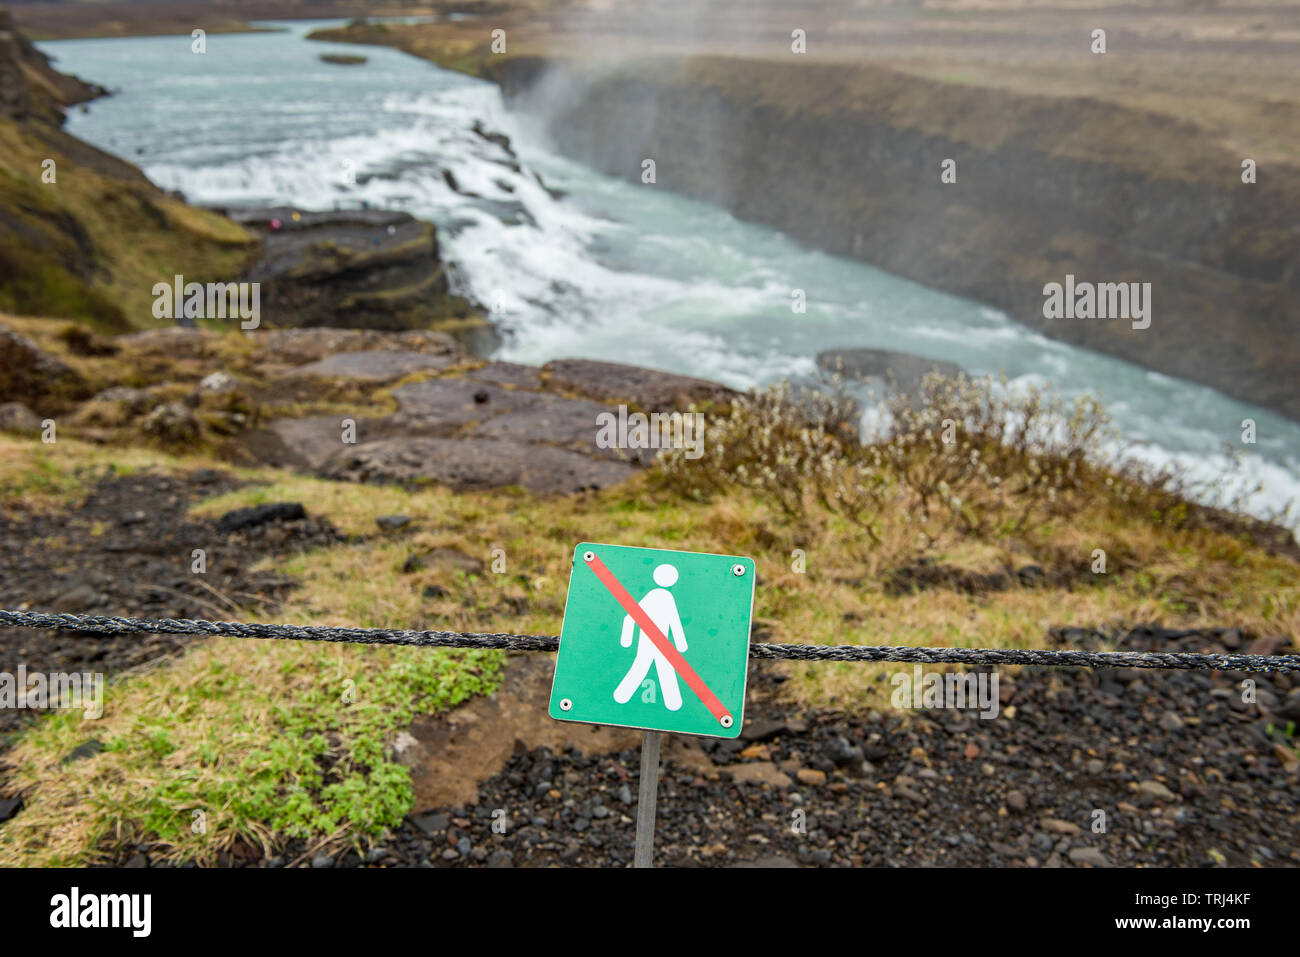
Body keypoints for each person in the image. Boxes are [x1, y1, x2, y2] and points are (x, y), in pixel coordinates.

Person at [613, 564, 688, 711]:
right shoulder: (661, 597)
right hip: (652, 641)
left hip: (656, 641)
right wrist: (680, 644)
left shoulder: (659, 596)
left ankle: (673, 702)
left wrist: (627, 639)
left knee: (653, 666)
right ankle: (622, 695)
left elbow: (631, 617)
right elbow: (674, 621)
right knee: (648, 666)